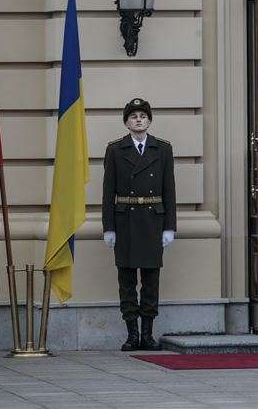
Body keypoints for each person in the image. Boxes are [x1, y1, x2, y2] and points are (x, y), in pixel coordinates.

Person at [102, 98, 176, 351]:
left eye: (143, 116)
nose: (139, 120)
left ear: (150, 120)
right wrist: (108, 227)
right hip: (126, 221)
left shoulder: (163, 149)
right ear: (126, 122)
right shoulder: (115, 150)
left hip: (152, 221)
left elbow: (169, 191)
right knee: (127, 282)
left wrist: (169, 227)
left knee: (151, 282)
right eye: (134, 116)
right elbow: (107, 191)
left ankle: (147, 335)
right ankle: (132, 335)